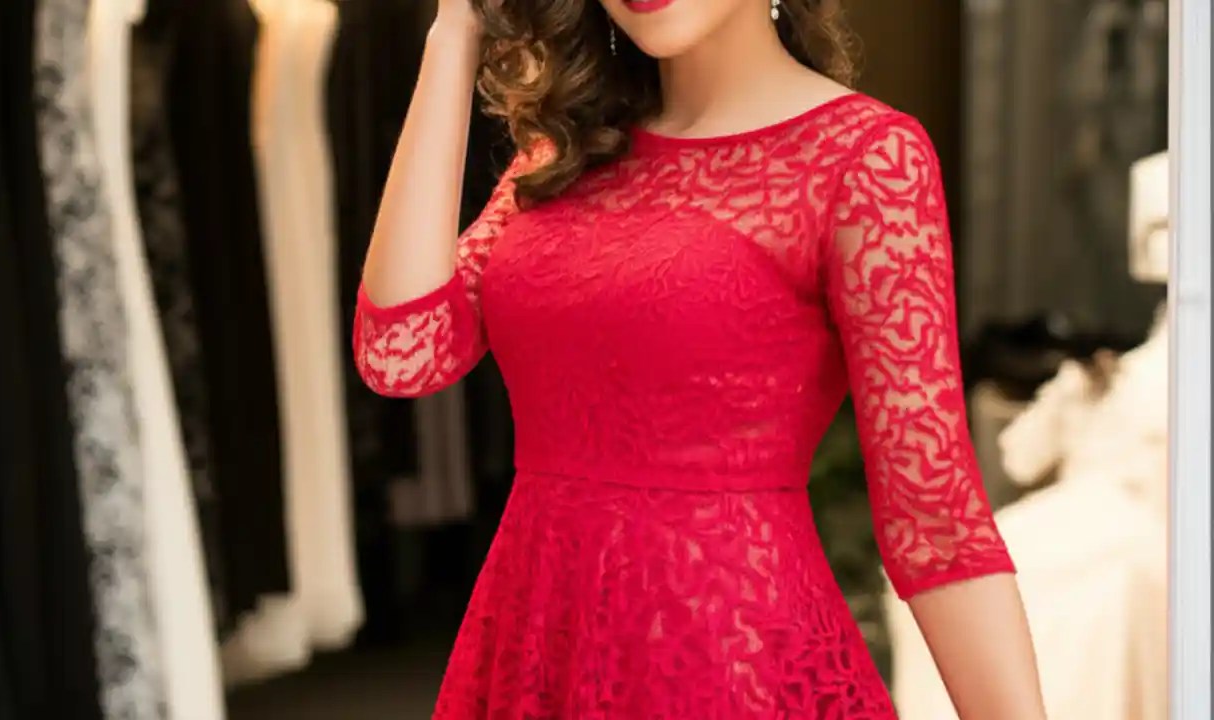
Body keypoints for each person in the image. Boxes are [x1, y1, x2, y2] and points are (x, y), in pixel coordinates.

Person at [353, 0, 1046, 716]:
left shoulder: (864, 158)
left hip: (727, 663)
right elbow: (400, 356)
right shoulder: (565, 153)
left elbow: (932, 520)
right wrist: (455, 30)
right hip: (535, 645)